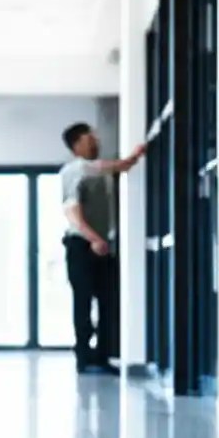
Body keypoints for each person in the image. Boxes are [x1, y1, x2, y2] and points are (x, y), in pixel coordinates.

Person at [59, 122, 146, 374]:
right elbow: (71, 212)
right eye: (90, 138)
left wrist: (131, 160)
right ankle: (84, 357)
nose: (96, 141)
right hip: (81, 245)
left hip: (101, 246)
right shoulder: (75, 170)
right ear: (77, 144)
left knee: (109, 301)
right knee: (84, 302)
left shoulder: (96, 172)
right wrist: (94, 238)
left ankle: (103, 354)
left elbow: (115, 167)